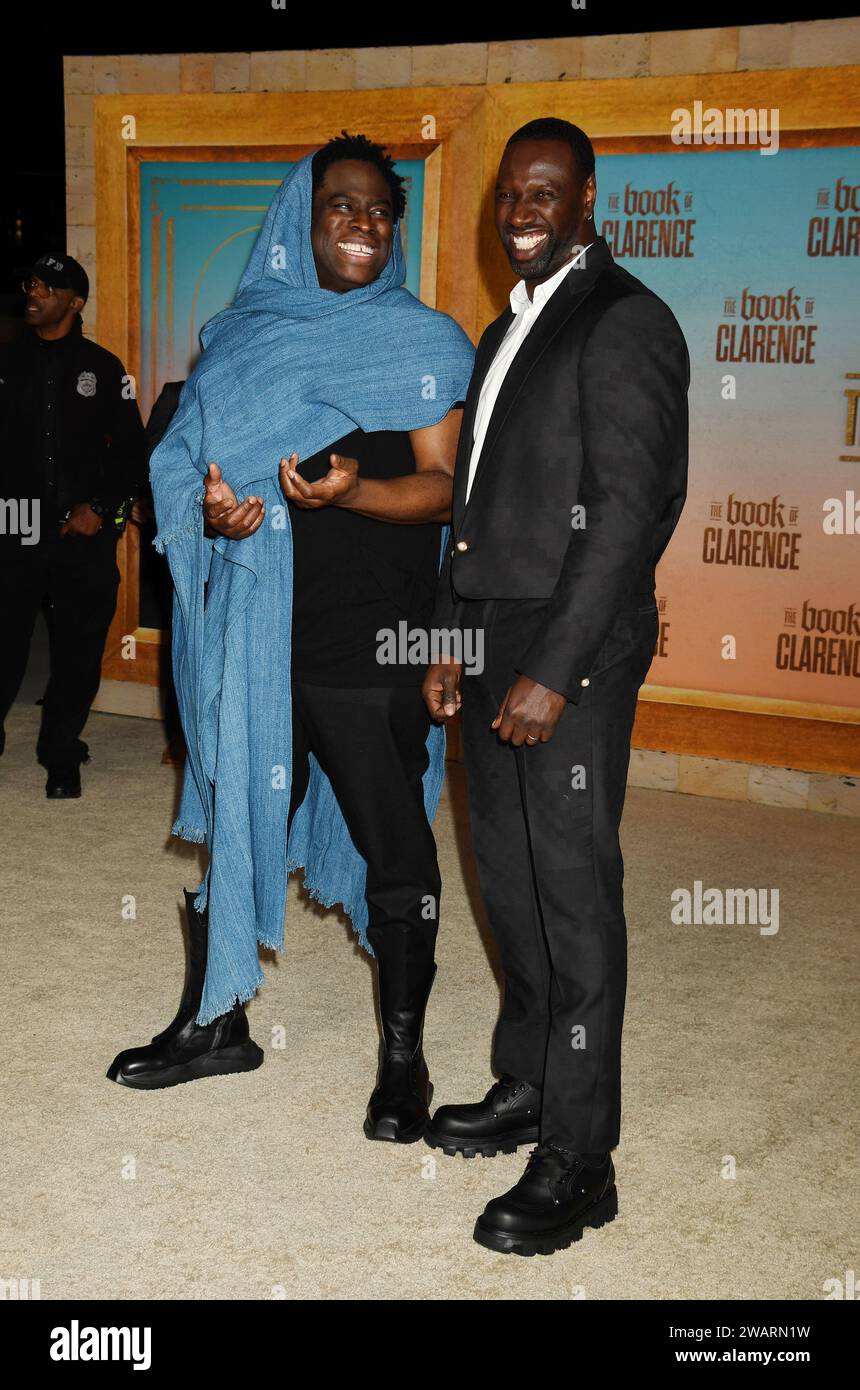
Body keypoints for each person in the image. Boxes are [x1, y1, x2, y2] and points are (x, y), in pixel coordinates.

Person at [107, 135, 474, 1145]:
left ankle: (402, 1056)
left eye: (375, 211)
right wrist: (221, 518)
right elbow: (193, 476)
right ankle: (215, 1020)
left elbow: (450, 491)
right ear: (297, 225)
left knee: (395, 849)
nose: (359, 225)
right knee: (236, 818)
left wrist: (361, 491)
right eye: (337, 207)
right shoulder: (241, 341)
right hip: (258, 639)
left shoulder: (427, 342)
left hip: (376, 643)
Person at [422, 117, 690, 1255]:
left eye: (544, 190)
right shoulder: (501, 331)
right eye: (508, 193)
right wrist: (445, 633)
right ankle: (527, 1082)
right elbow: (475, 509)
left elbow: (631, 515)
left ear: (586, 196)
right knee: (509, 881)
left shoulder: (625, 320)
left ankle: (581, 1157)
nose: (520, 209)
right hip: (487, 638)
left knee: (571, 892)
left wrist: (553, 666)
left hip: (563, 653)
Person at [0, 254, 146, 796]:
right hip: (13, 531)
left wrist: (102, 508)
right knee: (6, 643)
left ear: (75, 302)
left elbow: (131, 452)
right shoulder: (7, 363)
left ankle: (61, 754)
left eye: (47, 285)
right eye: (29, 282)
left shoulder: (105, 369)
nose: (32, 291)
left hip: (82, 533)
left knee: (78, 651)